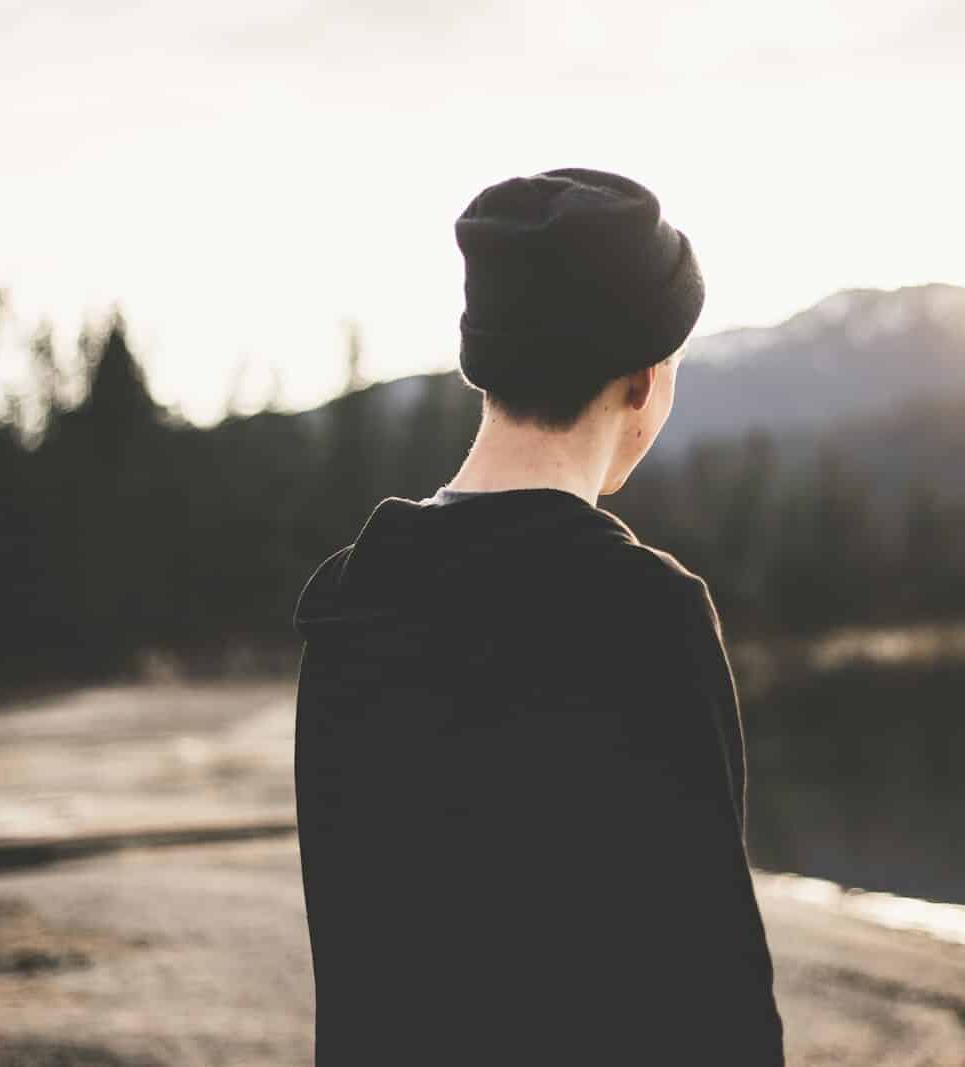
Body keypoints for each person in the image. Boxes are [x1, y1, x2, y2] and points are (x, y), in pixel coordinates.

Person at [292, 167, 785, 1065]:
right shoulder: (646, 613)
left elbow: (357, 960)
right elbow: (717, 997)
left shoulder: (350, 599)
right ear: (644, 379)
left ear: (487, 367)